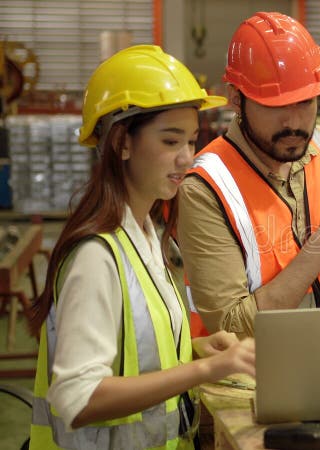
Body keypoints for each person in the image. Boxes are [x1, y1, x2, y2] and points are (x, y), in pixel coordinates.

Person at [27, 45, 255, 449]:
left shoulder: (146, 233)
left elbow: (137, 353)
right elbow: (77, 399)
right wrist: (203, 371)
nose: (188, 158)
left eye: (191, 141)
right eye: (171, 142)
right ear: (122, 144)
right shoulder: (97, 257)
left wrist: (196, 349)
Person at [177, 12, 320, 339]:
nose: (294, 122)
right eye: (275, 105)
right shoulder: (204, 187)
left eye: (305, 102)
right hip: (255, 379)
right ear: (237, 99)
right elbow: (233, 327)